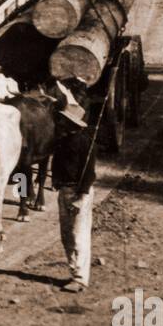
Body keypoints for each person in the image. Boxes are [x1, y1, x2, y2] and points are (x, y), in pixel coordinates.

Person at [51, 99, 99, 292]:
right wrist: (56, 180)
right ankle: (74, 273)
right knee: (66, 235)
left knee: (78, 235)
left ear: (72, 123)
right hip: (64, 190)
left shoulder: (86, 143)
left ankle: (80, 279)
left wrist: (81, 197)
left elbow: (90, 173)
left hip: (79, 192)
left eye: (63, 120)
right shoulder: (62, 141)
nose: (60, 122)